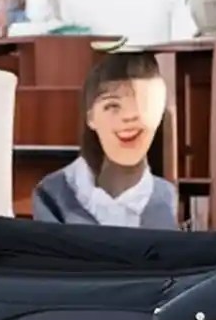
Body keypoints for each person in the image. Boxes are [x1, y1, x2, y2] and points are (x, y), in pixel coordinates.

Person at [31, 51, 179, 228]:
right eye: (112, 106)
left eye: (143, 104)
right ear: (90, 117)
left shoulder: (167, 198)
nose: (129, 117)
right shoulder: (52, 194)